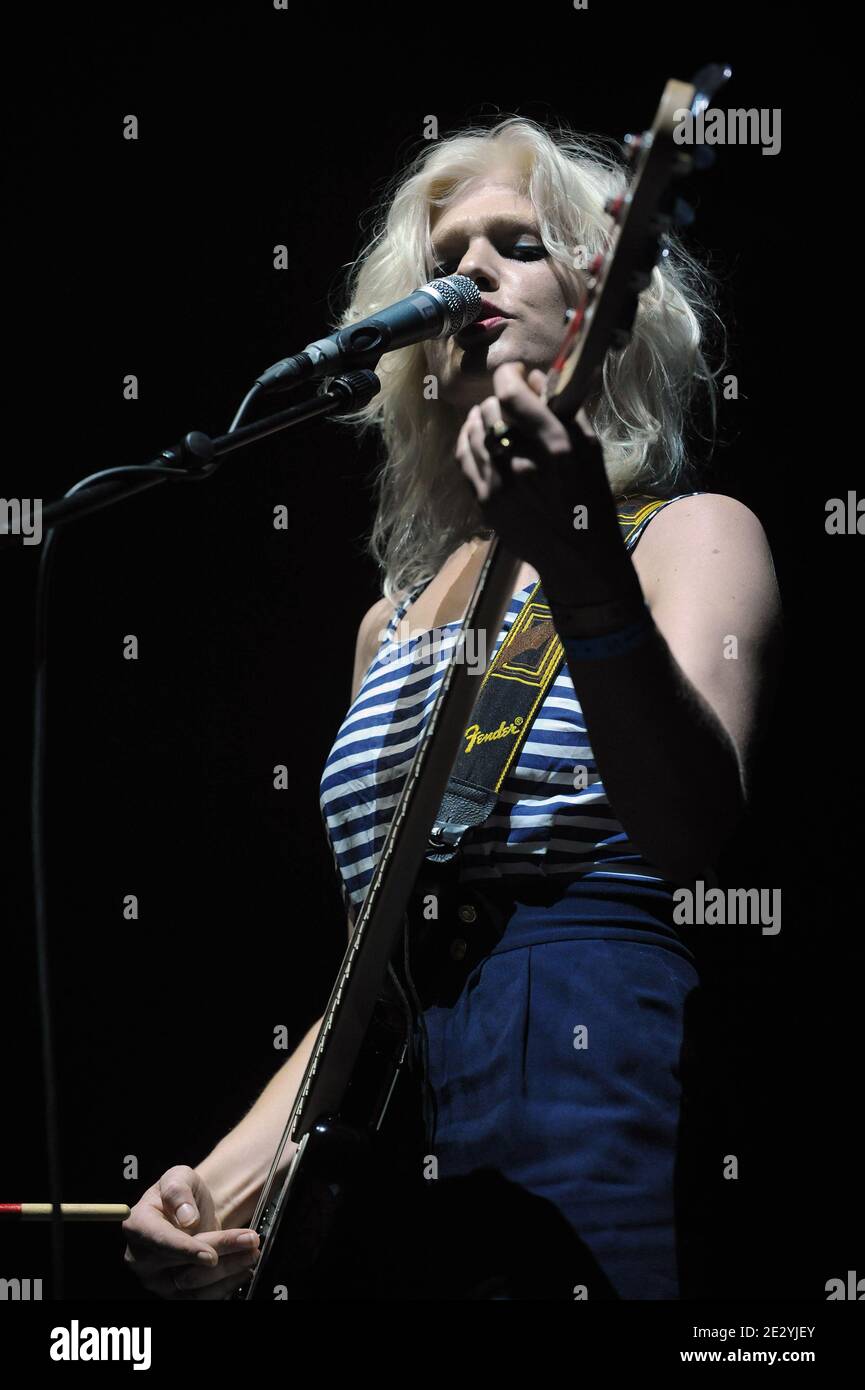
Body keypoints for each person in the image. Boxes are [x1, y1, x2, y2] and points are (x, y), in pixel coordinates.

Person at [122, 116, 782, 1300]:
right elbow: (369, 976)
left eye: (516, 244)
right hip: (394, 1115)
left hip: (590, 1048)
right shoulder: (387, 626)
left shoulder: (691, 536)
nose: (469, 272)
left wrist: (581, 564)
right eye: (447, 256)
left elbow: (690, 827)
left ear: (603, 307)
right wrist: (214, 1186)